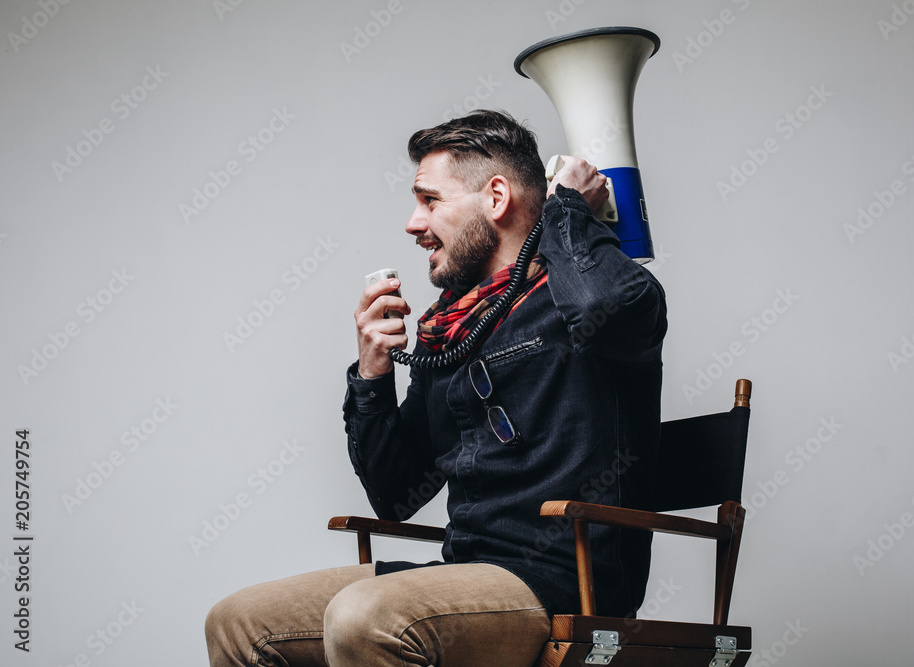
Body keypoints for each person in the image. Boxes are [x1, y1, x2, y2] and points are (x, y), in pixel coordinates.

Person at [205, 109, 667, 666]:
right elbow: (395, 495)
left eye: (430, 200)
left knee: (364, 616)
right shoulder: (451, 326)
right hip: (465, 572)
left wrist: (565, 207)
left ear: (496, 198)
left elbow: (604, 305)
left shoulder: (593, 297)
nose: (412, 223)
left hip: (563, 581)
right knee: (237, 623)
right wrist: (373, 370)